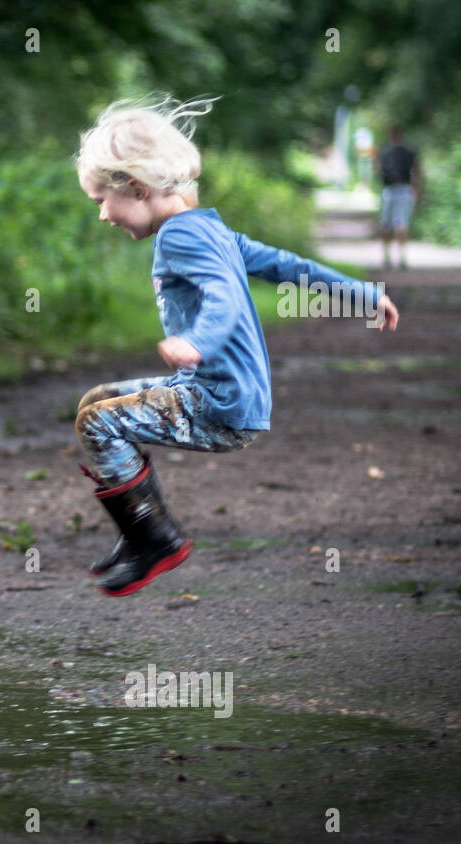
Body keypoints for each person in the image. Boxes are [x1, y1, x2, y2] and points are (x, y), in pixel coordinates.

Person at [73, 93, 400, 597]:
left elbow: (224, 296)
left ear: (137, 188)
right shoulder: (212, 229)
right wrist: (361, 293)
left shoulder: (180, 237)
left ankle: (153, 538)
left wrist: (198, 342)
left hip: (217, 404)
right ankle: (142, 532)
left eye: (101, 202)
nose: (102, 216)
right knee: (96, 403)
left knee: (97, 421)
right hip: (219, 393)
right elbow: (288, 265)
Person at [377, 126, 420, 269]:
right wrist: (416, 189)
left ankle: (387, 257)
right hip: (405, 190)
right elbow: (416, 172)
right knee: (402, 224)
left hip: (389, 190)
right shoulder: (410, 151)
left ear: (391, 135)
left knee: (386, 224)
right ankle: (402, 257)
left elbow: (378, 171)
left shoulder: (384, 151)